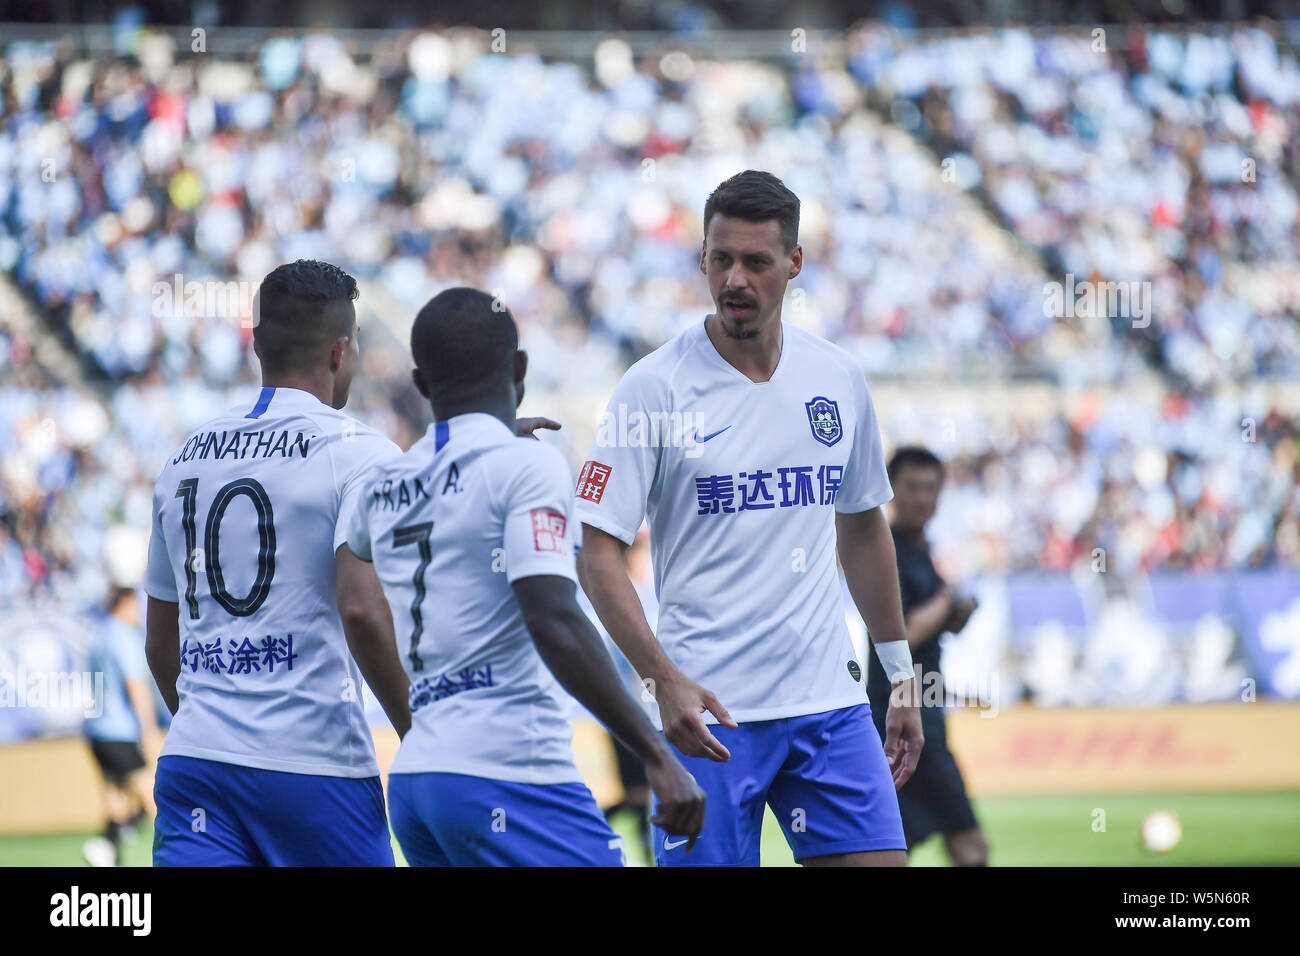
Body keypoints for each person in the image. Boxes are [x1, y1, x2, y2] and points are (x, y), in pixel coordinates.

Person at [575, 170, 923, 867]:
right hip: (710, 717)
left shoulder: (837, 378)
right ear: (701, 258)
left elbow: (861, 528)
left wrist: (901, 674)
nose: (735, 279)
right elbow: (596, 551)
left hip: (830, 701)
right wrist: (660, 679)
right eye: (719, 259)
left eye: (756, 262)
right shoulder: (653, 388)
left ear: (794, 264)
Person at [341, 287, 705, 866]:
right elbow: (553, 615)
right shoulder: (527, 465)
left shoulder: (382, 486)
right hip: (510, 768)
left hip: (417, 781)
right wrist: (654, 753)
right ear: (520, 368)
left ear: (421, 381)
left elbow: (359, 602)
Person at [142, 259, 412, 866]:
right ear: (341, 351)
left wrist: (223, 729)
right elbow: (364, 614)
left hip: (195, 765)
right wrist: (420, 736)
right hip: (314, 768)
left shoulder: (183, 457)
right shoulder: (360, 451)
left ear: (257, 344)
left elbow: (162, 648)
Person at [865, 446, 988, 866]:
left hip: (921, 711)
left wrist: (956, 612)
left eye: (930, 488)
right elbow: (905, 632)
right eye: (912, 488)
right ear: (891, 490)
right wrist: (948, 599)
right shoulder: (886, 550)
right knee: (971, 847)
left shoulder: (920, 549)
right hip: (903, 714)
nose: (922, 498)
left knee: (900, 843)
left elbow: (934, 625)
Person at [82, 586, 161, 867]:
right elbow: (135, 685)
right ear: (126, 602)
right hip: (120, 731)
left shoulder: (98, 636)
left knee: (115, 798)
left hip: (95, 731)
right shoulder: (124, 638)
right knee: (153, 797)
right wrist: (149, 727)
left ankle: (106, 850)